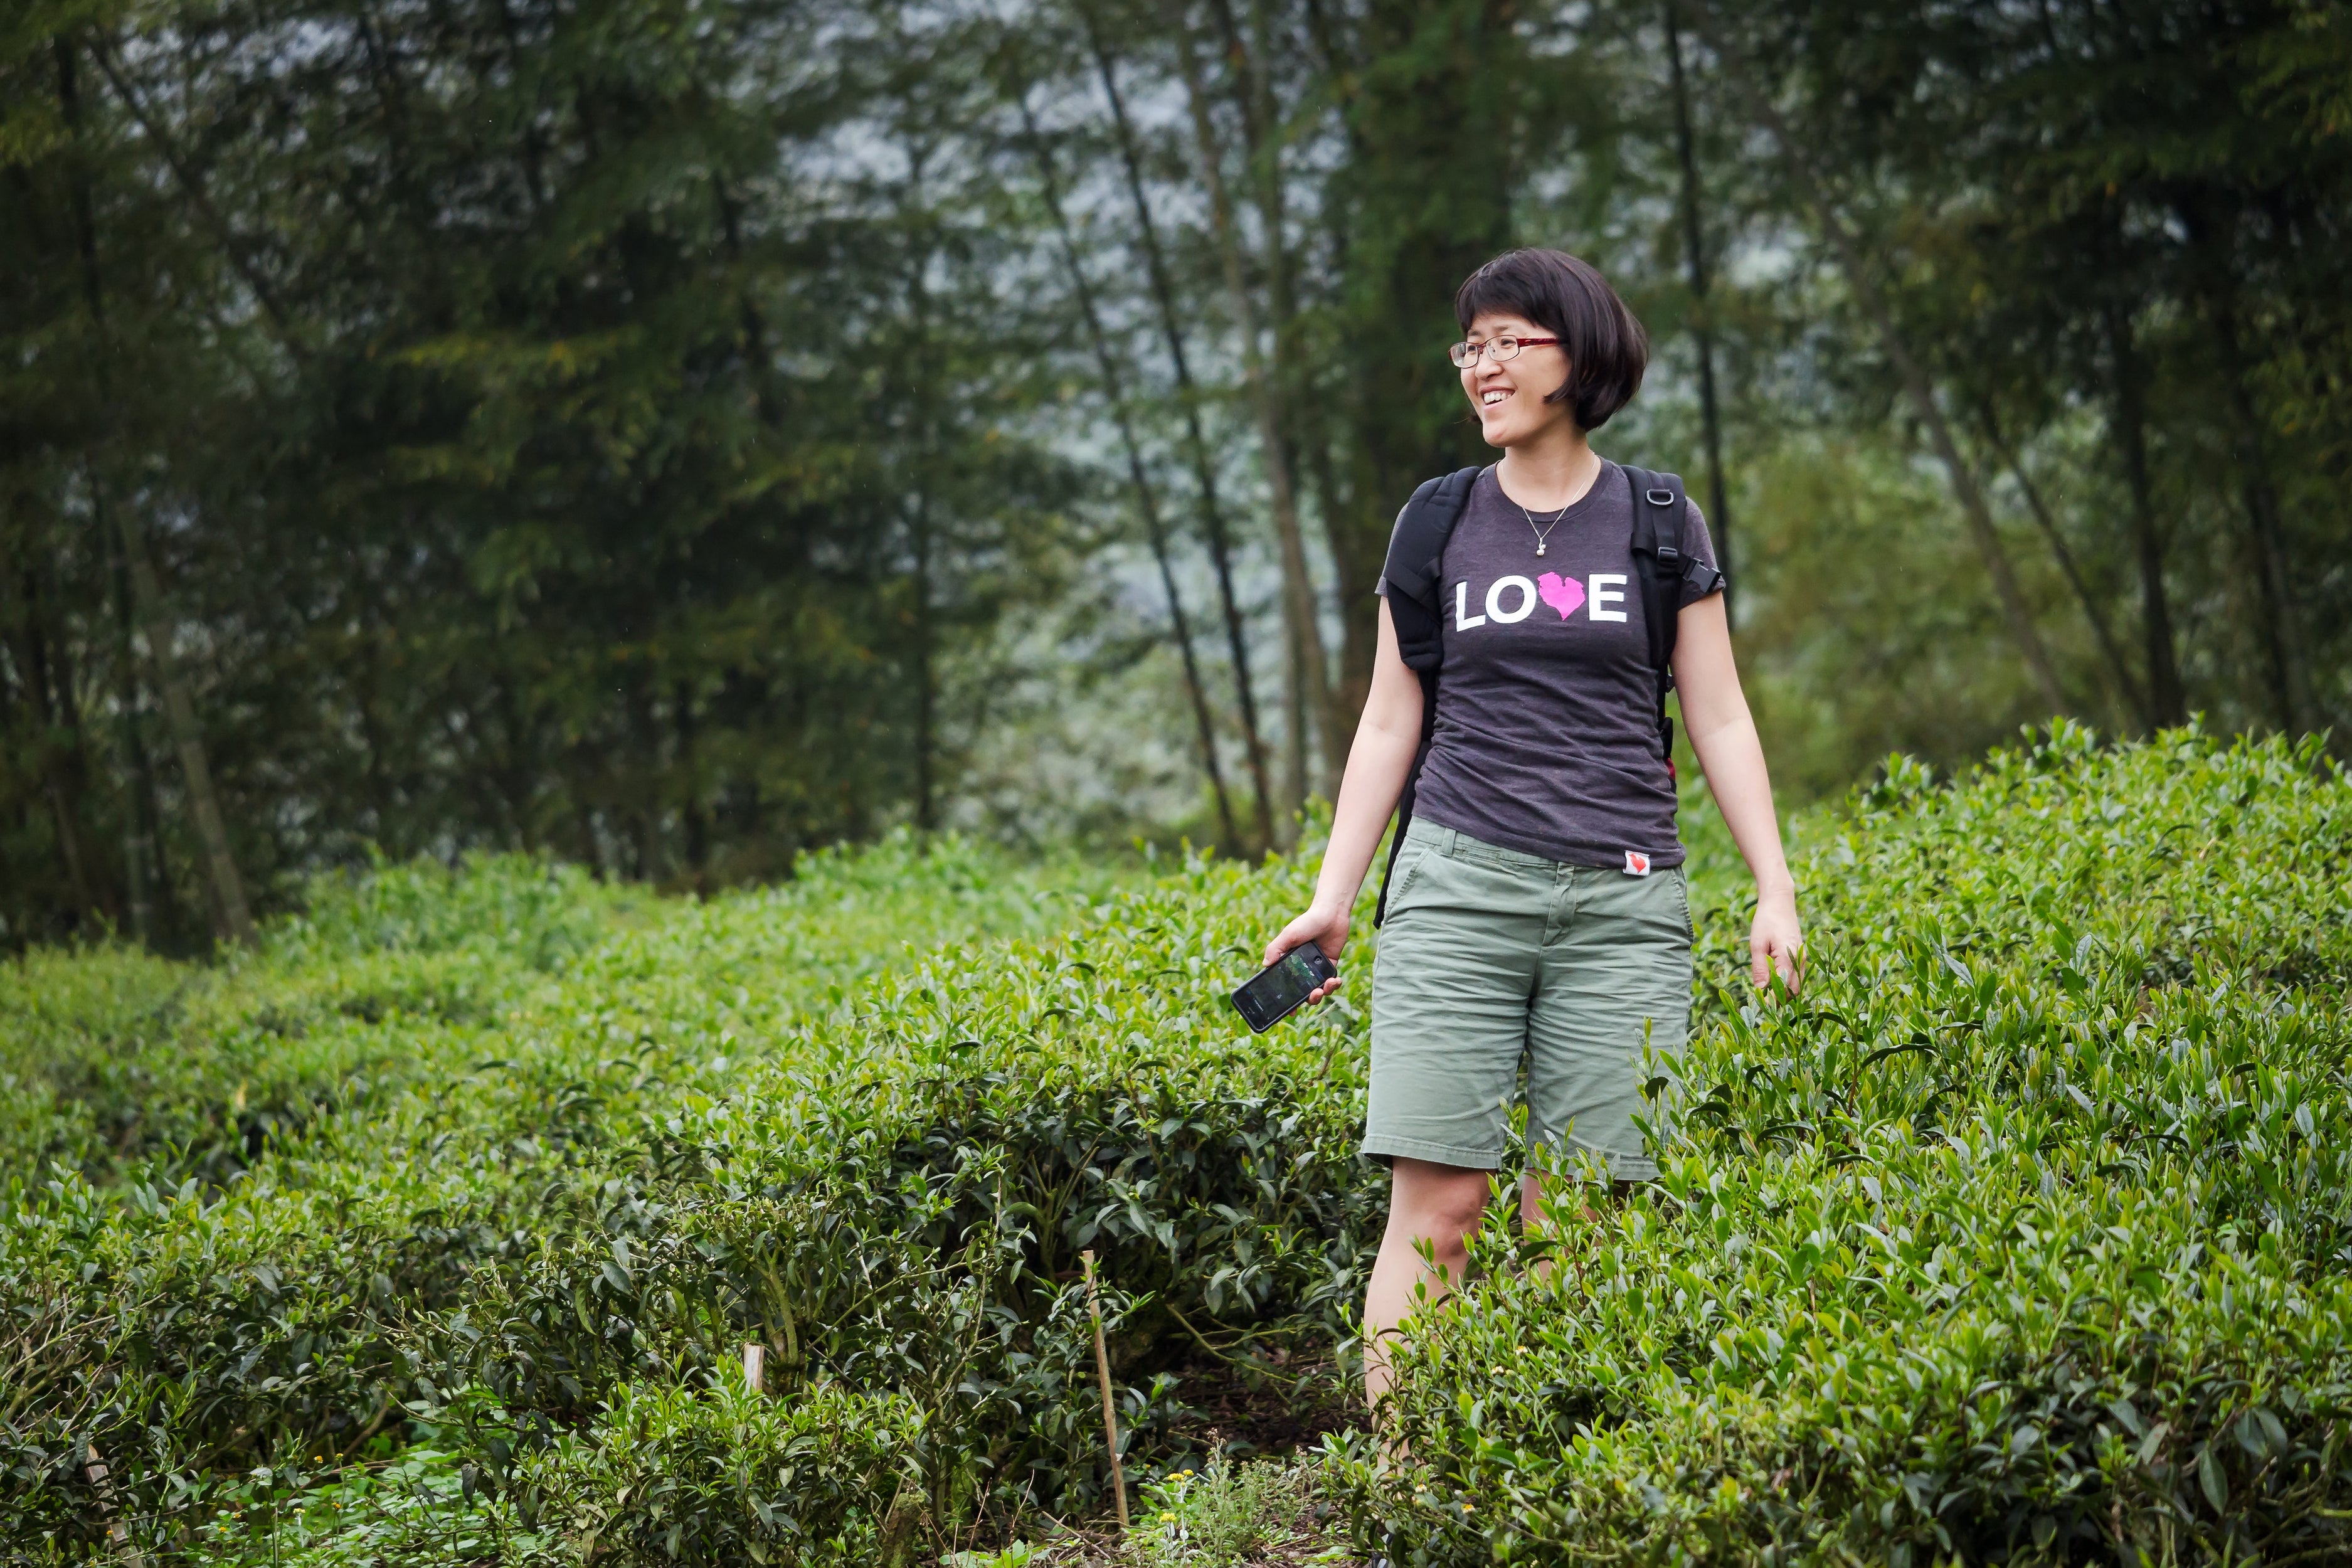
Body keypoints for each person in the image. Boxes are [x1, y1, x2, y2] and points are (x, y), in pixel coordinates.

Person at [1259, 248, 1803, 1416]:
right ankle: (1405, 1482)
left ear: (1581, 354)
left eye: (1510, 340)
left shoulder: (1658, 519)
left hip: (1624, 906)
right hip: (1456, 888)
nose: (1483, 366)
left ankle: (1553, 1478)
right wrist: (1331, 896)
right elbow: (1388, 718)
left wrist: (1774, 887)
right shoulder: (1438, 519)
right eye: (1471, 346)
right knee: (1440, 1211)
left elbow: (1717, 712)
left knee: (1586, 1221)